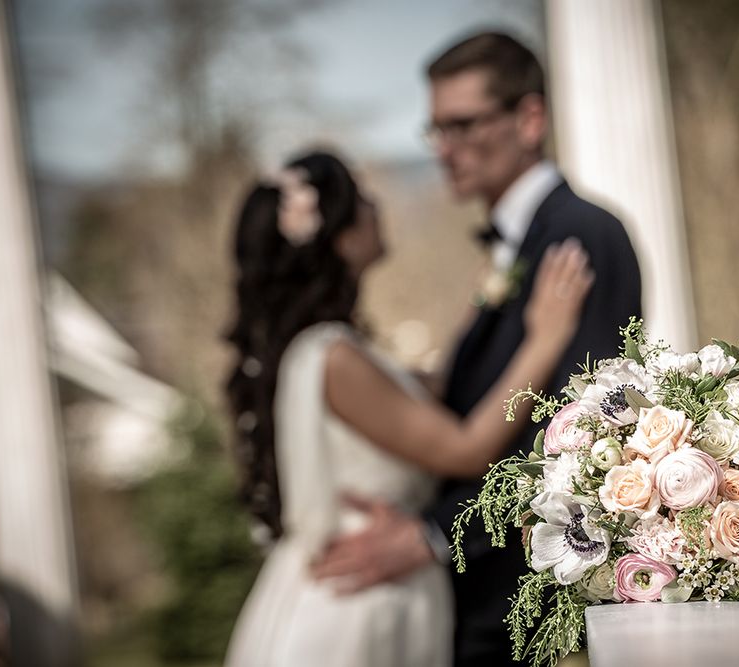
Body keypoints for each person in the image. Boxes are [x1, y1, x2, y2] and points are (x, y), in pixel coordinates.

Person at [309, 32, 643, 666]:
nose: (445, 149)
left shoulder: (582, 238)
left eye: (462, 125)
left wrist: (433, 534)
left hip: (518, 592)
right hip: (473, 594)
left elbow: (580, 439)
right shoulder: (515, 248)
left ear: (530, 118)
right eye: (435, 130)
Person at [222, 150, 593, 667]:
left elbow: (435, 386)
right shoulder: (335, 358)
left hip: (377, 587)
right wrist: (545, 340)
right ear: (343, 237)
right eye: (364, 198)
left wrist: (488, 299)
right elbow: (465, 450)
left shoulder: (330, 351)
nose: (377, 206)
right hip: (359, 602)